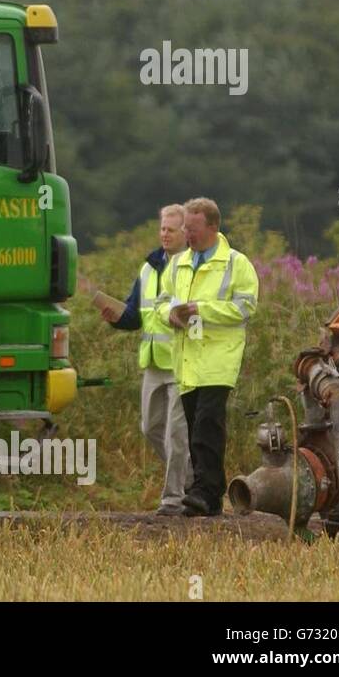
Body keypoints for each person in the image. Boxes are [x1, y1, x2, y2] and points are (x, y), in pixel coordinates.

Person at [153, 197, 259, 517]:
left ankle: (205, 491)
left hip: (218, 360)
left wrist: (202, 309)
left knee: (206, 427)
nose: (188, 234)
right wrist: (170, 316)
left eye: (194, 229)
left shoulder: (236, 264)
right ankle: (206, 496)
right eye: (185, 228)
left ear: (213, 227)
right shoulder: (178, 264)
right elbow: (159, 303)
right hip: (187, 361)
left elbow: (245, 307)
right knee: (194, 429)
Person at [102, 204, 193, 515]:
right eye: (162, 228)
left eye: (171, 229)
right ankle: (193, 480)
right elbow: (133, 316)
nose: (164, 234)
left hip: (182, 363)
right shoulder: (148, 269)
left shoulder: (192, 267)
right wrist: (114, 317)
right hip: (153, 363)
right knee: (150, 428)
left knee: (175, 435)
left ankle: (173, 499)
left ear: (185, 232)